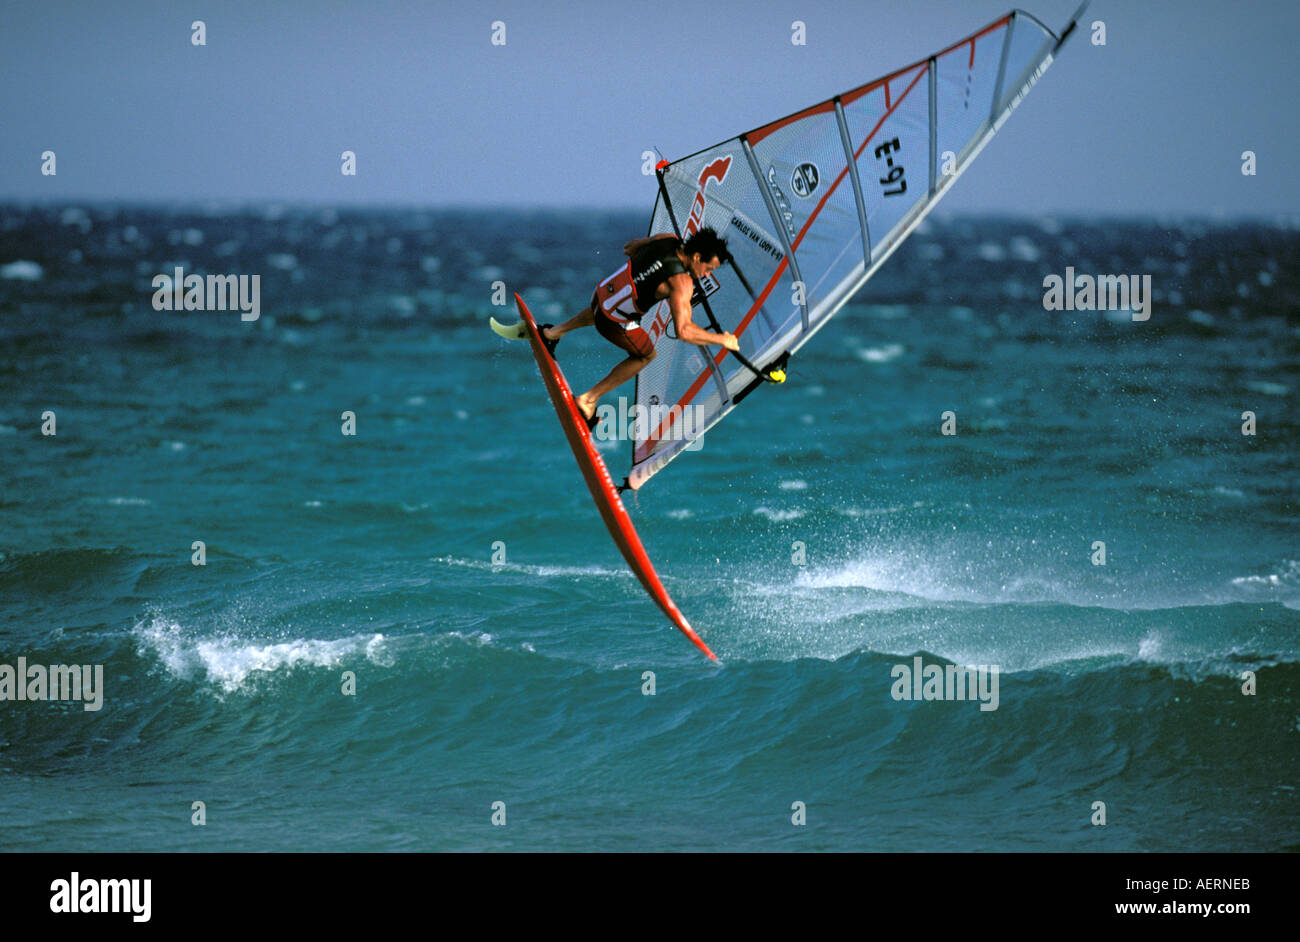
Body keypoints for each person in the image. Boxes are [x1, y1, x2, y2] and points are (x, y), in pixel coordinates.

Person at [538, 227, 740, 427]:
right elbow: (684, 331)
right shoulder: (682, 282)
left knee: (607, 306)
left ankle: (553, 332)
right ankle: (588, 399)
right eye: (708, 269)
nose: (706, 276)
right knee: (646, 356)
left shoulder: (667, 239)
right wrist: (723, 340)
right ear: (696, 257)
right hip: (612, 322)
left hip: (599, 296)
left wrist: (651, 277)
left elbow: (630, 248)